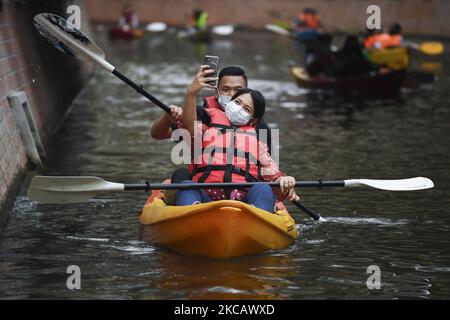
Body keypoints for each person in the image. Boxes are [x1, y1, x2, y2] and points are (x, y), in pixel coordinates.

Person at [176, 67, 299, 213]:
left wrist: (284, 181)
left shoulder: (258, 143)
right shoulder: (206, 129)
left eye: (246, 109)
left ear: (253, 120)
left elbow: (272, 175)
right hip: (205, 201)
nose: (239, 109)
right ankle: (190, 216)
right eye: (237, 102)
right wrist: (191, 93)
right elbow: (189, 129)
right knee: (187, 185)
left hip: (242, 206)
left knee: (263, 188)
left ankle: (257, 218)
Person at [151, 66, 273, 184]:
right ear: (217, 91)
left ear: (247, 91)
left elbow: (267, 166)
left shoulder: (259, 127)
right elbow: (158, 134)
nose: (231, 94)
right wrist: (166, 117)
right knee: (181, 174)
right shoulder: (201, 114)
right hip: (203, 180)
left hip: (243, 186)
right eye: (225, 89)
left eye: (238, 90)